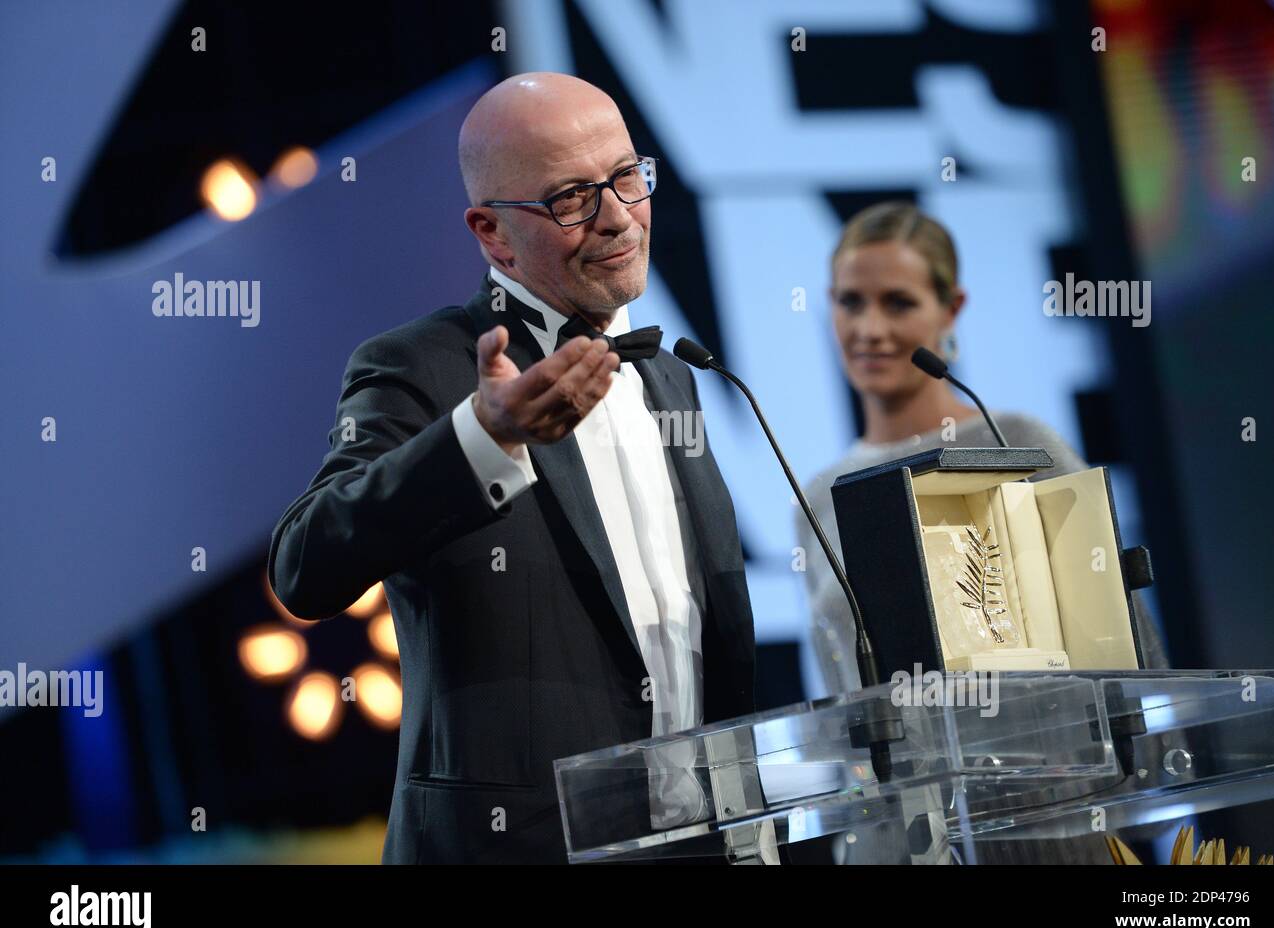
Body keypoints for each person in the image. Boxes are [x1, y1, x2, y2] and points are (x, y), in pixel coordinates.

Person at [268, 73, 755, 864]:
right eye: (571, 198)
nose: (618, 218)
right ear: (492, 233)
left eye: (628, 177)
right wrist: (480, 439)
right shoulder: (420, 365)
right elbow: (303, 564)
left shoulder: (672, 374)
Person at [797, 201, 1167, 696]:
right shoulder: (818, 496)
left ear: (951, 310)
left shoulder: (1012, 440)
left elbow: (1126, 642)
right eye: (851, 302)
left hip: (1055, 765)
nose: (870, 329)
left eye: (898, 302)